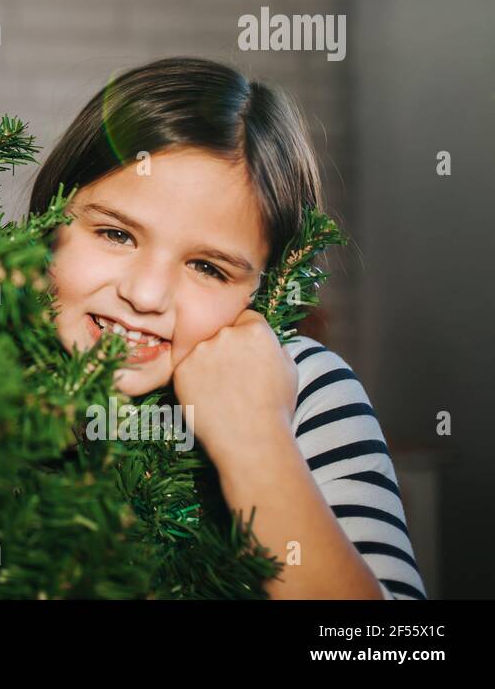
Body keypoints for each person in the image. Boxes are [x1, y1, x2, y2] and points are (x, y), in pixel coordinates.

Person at [30, 57, 426, 599]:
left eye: (207, 267)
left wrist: (255, 434)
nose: (145, 295)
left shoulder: (305, 388)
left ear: (267, 291)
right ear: (50, 220)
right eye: (116, 235)